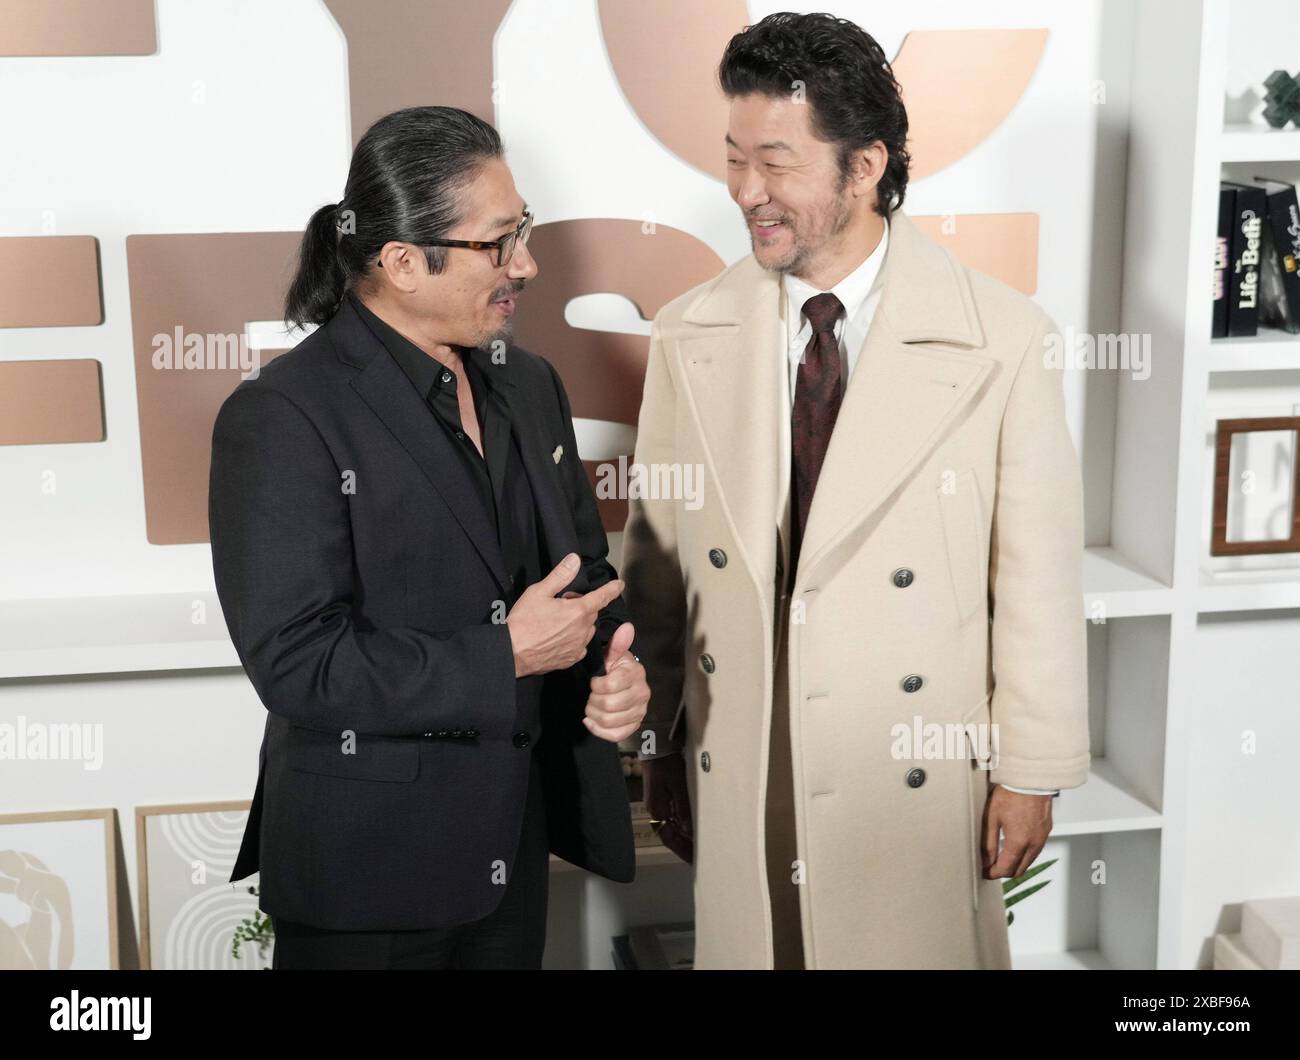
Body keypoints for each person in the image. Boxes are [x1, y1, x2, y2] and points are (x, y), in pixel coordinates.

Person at [622, 12, 1089, 969]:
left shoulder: (1000, 337)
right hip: (746, 744)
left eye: (777, 163)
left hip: (906, 758)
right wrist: (660, 745)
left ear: (866, 164)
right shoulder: (687, 332)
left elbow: (1037, 580)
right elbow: (658, 558)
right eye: (733, 158)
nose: (747, 191)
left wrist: (1031, 773)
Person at [208, 106, 649, 970]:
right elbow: (300, 664)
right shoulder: (282, 415)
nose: (525, 263)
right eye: (498, 243)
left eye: (521, 230)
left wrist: (613, 675)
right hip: (365, 878)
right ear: (402, 261)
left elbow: (581, 578)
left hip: (513, 855)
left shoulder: (528, 383)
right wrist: (506, 656)